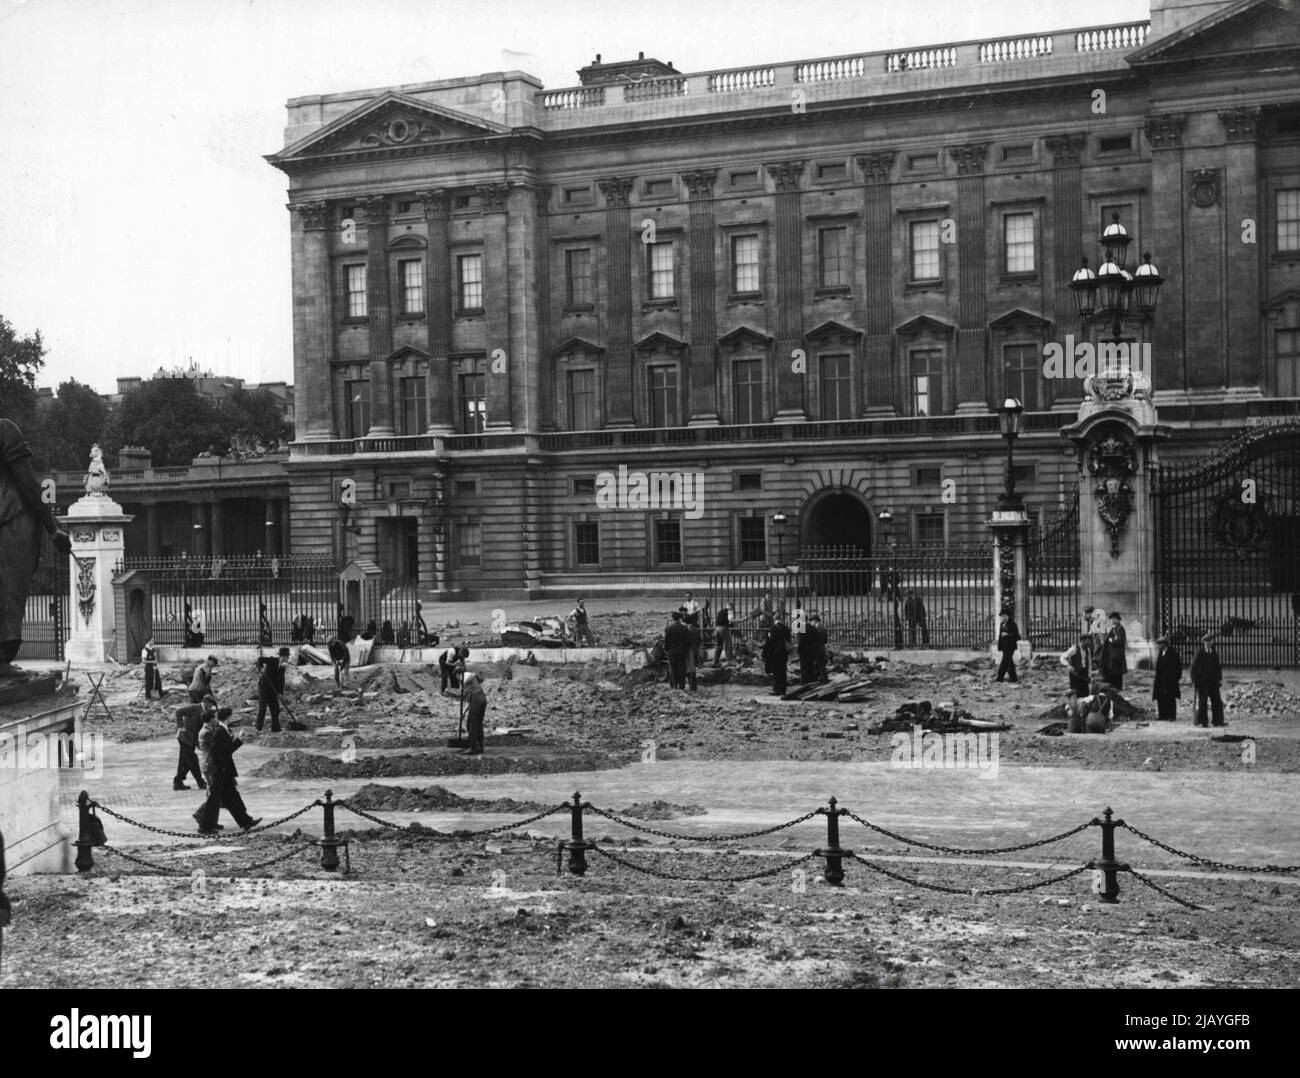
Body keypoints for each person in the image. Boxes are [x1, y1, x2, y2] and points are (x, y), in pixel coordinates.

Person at [0, 417, 73, 676]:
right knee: (10, 590)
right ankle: (1, 659)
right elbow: (28, 483)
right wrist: (52, 528)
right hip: (11, 520)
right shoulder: (5, 429)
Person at [195, 708, 261, 835]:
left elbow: (225, 748)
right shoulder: (217, 731)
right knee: (214, 799)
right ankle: (204, 825)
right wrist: (240, 740)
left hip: (223, 770)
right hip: (219, 770)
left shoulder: (220, 730)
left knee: (231, 796)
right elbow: (218, 751)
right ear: (228, 717)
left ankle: (245, 821)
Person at [173, 697, 212, 791]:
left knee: (185, 761)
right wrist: (181, 727)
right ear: (205, 703)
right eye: (210, 705)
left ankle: (178, 781)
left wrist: (198, 743)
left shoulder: (205, 711)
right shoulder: (194, 707)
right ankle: (200, 782)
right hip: (185, 738)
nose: (211, 708)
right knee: (192, 760)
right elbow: (178, 712)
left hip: (191, 739)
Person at [1190, 632, 1225, 727]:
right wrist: (1194, 680)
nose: (1208, 643)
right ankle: (1203, 721)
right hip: (1202, 682)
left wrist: (1219, 679)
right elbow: (1193, 667)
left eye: (1210, 641)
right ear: (1204, 642)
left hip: (1213, 681)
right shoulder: (1200, 652)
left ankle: (1218, 721)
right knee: (1203, 702)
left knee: (1217, 701)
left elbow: (1218, 666)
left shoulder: (1213, 652)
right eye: (1206, 641)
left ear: (1212, 642)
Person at [255, 646, 291, 733]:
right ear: (283, 657)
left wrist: (280, 693)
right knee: (262, 708)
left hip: (273, 690)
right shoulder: (272, 660)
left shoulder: (282, 667)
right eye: (286, 657)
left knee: (275, 709)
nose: (287, 659)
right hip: (264, 688)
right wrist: (260, 667)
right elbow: (260, 659)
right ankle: (258, 728)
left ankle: (275, 728)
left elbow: (281, 681)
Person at [1153, 635, 1182, 722]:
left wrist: (1175, 679)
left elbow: (1178, 668)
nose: (1158, 646)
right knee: (1161, 697)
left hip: (1170, 680)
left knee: (1170, 697)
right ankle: (1163, 715)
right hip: (1161, 679)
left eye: (1160, 644)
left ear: (1164, 644)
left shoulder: (1173, 653)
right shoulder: (1161, 653)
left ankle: (1171, 715)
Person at [460, 666, 487, 755]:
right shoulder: (467, 684)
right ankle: (479, 746)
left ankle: (473, 748)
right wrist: (463, 713)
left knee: (472, 723)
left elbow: (472, 675)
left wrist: (462, 683)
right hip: (481, 698)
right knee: (478, 723)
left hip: (477, 698)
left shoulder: (465, 675)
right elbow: (468, 701)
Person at [763, 614, 792, 696]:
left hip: (775, 653)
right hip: (784, 653)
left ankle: (777, 689)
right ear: (781, 619)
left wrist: (765, 652)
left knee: (776, 672)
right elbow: (789, 640)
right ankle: (783, 690)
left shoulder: (773, 628)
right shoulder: (786, 628)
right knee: (783, 671)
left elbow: (770, 641)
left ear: (774, 619)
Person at [663, 611, 692, 691]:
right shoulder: (684, 628)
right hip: (682, 652)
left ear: (673, 619)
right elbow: (688, 641)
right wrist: (686, 649)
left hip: (672, 652)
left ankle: (675, 684)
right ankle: (682, 685)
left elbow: (666, 641)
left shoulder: (669, 628)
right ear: (680, 619)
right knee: (682, 668)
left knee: (673, 668)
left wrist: (666, 649)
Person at [1100, 612, 1128, 692]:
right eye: (1112, 619)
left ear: (1118, 619)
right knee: (1111, 669)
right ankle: (1111, 685)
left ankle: (1117, 686)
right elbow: (1108, 638)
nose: (1113, 620)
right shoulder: (1113, 628)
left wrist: (1112, 641)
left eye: (1114, 619)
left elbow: (1121, 640)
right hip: (1112, 653)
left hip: (1117, 653)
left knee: (1117, 670)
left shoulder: (1120, 628)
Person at [995, 609, 1020, 683]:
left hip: (1010, 646)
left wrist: (1008, 634)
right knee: (1009, 662)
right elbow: (1000, 636)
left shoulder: (1012, 624)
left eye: (1004, 615)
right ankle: (1014, 678)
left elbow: (1017, 636)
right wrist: (999, 646)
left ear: (1007, 615)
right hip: (1004, 646)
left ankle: (1000, 677)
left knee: (1004, 662)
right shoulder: (1002, 623)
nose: (1002, 617)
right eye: (1002, 616)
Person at [807, 614, 829, 683]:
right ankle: (820, 679)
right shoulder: (822, 628)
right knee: (820, 665)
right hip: (822, 649)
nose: (811, 623)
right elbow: (825, 640)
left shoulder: (816, 629)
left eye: (811, 621)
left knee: (820, 666)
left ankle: (824, 680)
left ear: (815, 621)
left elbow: (813, 640)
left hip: (817, 650)